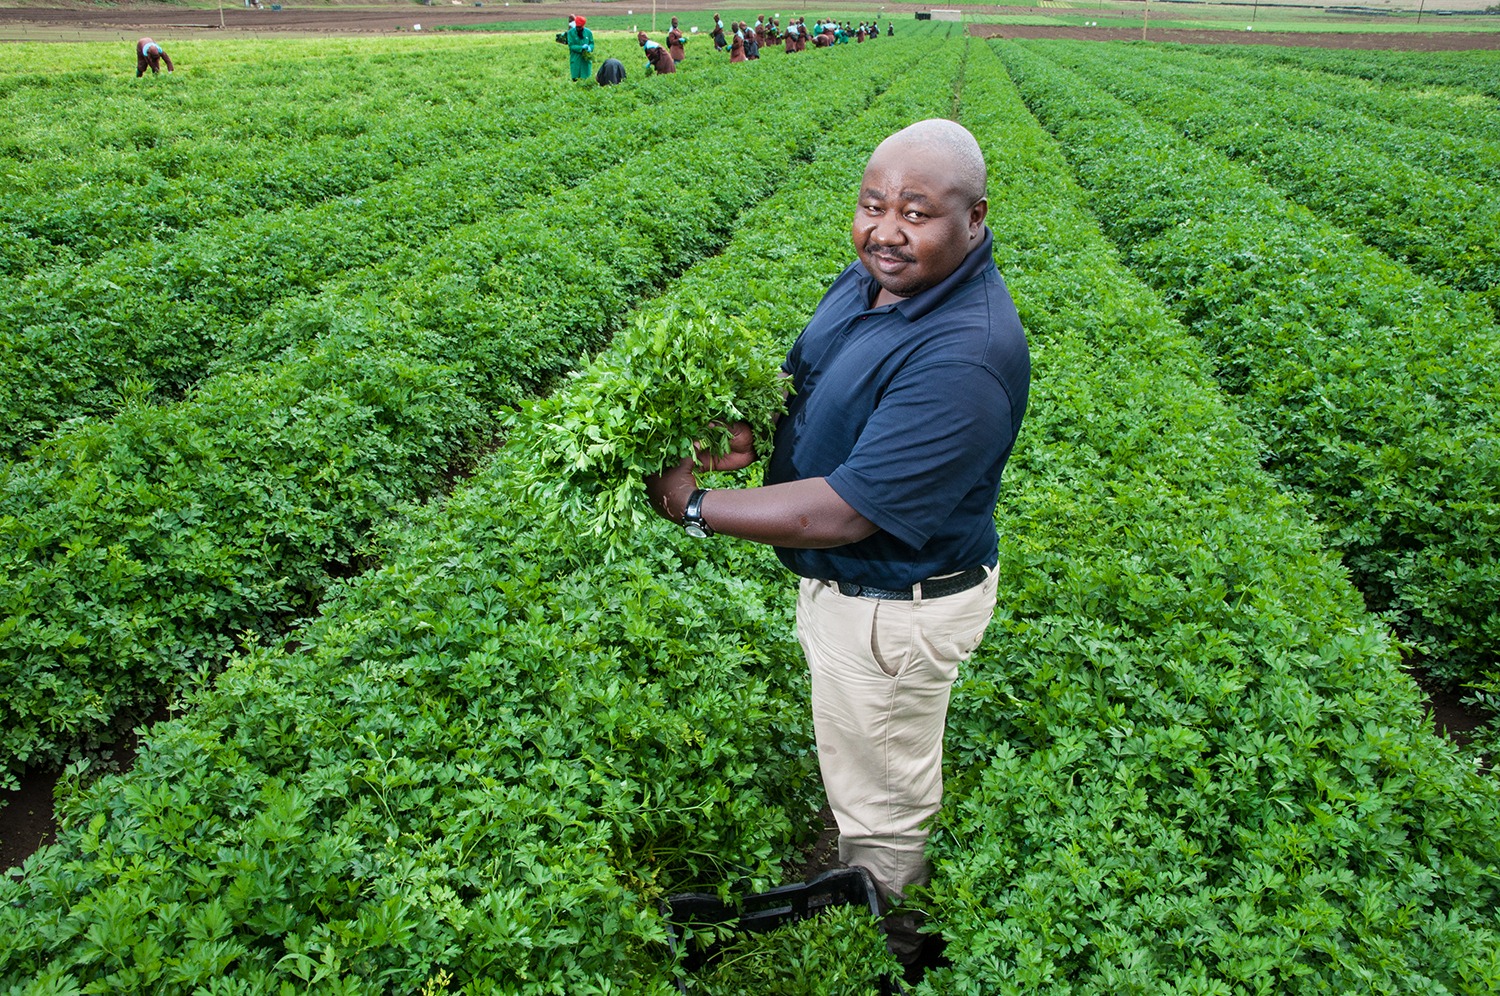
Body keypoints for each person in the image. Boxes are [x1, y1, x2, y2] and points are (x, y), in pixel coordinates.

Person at [643, 119, 1030, 973]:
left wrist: (698, 505)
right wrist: (747, 432)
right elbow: (809, 378)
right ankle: (874, 906)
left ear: (973, 218)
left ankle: (892, 946)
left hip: (893, 607)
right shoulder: (873, 283)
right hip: (855, 593)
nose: (886, 231)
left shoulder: (965, 354)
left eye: (917, 213)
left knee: (884, 798)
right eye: (872, 205)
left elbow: (845, 513)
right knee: (866, 760)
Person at [564, 15, 594, 81]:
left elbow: (592, 43)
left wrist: (590, 48)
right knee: (575, 78)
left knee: (586, 78)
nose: (578, 29)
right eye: (577, 27)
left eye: (580, 27)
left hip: (585, 59)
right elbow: (571, 45)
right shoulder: (571, 33)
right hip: (575, 58)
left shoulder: (588, 32)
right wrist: (581, 48)